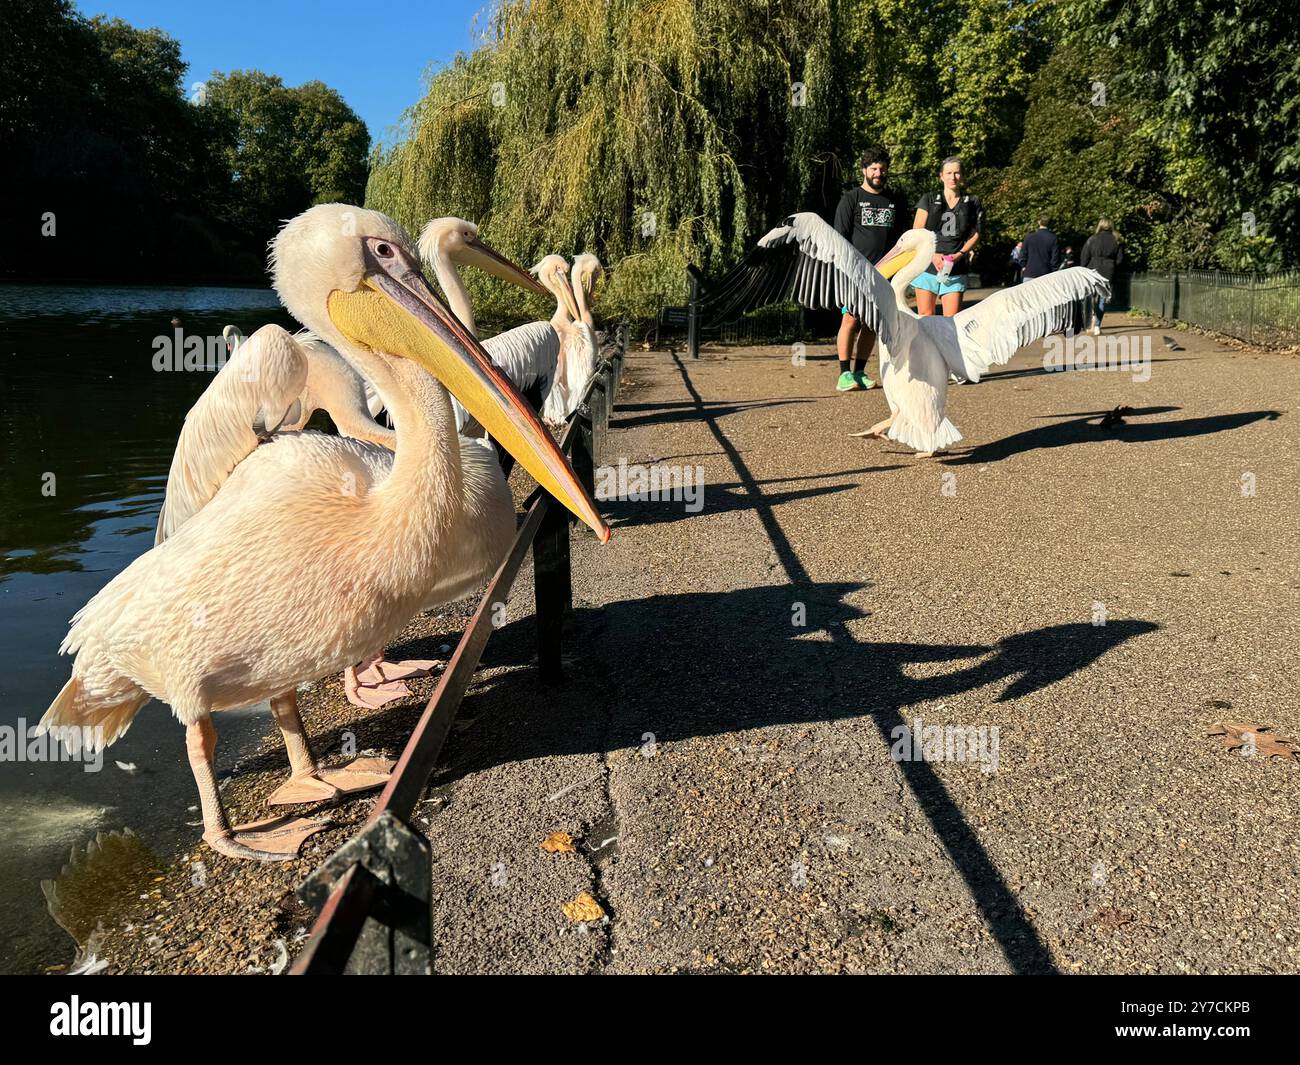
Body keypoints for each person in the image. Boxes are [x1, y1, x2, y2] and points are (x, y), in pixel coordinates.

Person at [832, 146, 909, 391]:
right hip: (855, 273)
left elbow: (902, 240)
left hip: (885, 275)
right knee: (851, 319)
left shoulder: (894, 201)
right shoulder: (851, 199)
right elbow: (839, 237)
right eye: (874, 168)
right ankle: (844, 375)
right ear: (864, 170)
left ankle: (861, 372)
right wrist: (844, 270)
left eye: (883, 169)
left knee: (872, 325)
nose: (879, 173)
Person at [911, 156, 982, 317]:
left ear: (962, 175)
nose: (953, 177)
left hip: (955, 268)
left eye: (957, 173)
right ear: (941, 176)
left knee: (951, 321)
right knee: (925, 317)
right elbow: (917, 231)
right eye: (948, 173)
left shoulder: (971, 201)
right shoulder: (928, 199)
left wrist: (960, 254)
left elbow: (975, 235)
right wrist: (932, 255)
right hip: (927, 266)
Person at [1079, 218, 1124, 335]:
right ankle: (1098, 325)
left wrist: (1083, 267)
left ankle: (1091, 317)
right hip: (1108, 271)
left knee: (1090, 297)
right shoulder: (1116, 240)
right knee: (1102, 299)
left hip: (1093, 270)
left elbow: (1084, 256)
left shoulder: (1092, 239)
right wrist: (1112, 265)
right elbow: (1120, 259)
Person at [1021, 215, 1061, 280]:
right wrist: (1054, 271)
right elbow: (1055, 259)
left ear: (1039, 222)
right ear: (1050, 224)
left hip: (1029, 272)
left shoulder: (1029, 237)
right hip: (1046, 274)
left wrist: (1023, 266)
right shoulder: (1053, 238)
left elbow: (1023, 255)